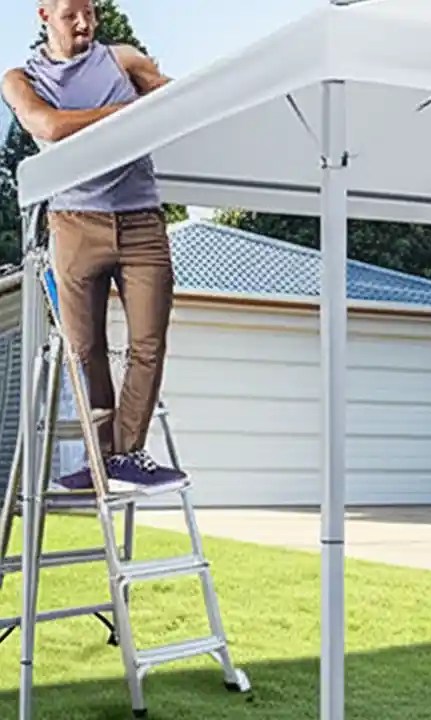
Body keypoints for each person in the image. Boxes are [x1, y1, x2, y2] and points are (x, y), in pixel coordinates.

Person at [2, 0, 184, 488]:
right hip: (74, 223)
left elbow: (178, 102)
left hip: (141, 218)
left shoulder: (123, 58)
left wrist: (158, 97)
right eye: (70, 14)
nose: (84, 23)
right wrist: (128, 114)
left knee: (149, 342)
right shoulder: (22, 78)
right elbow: (50, 127)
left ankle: (126, 455)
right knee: (87, 350)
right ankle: (102, 458)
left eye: (90, 12)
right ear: (44, 15)